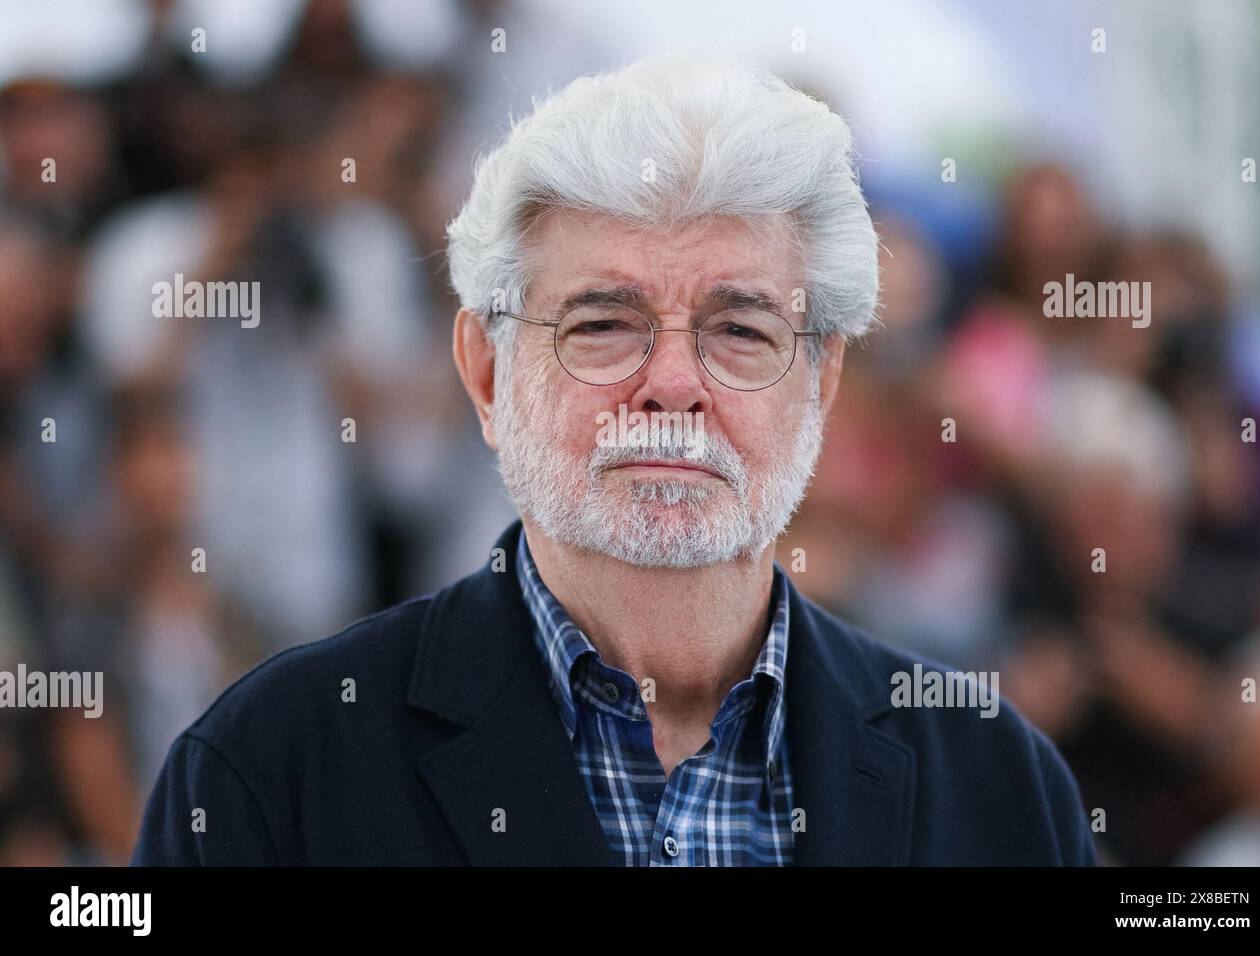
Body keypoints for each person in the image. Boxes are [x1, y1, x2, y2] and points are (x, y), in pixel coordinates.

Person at [132, 54, 1097, 866]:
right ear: (484, 373)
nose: (673, 383)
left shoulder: (1000, 788)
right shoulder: (270, 772)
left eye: (740, 331)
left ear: (822, 381)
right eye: (603, 324)